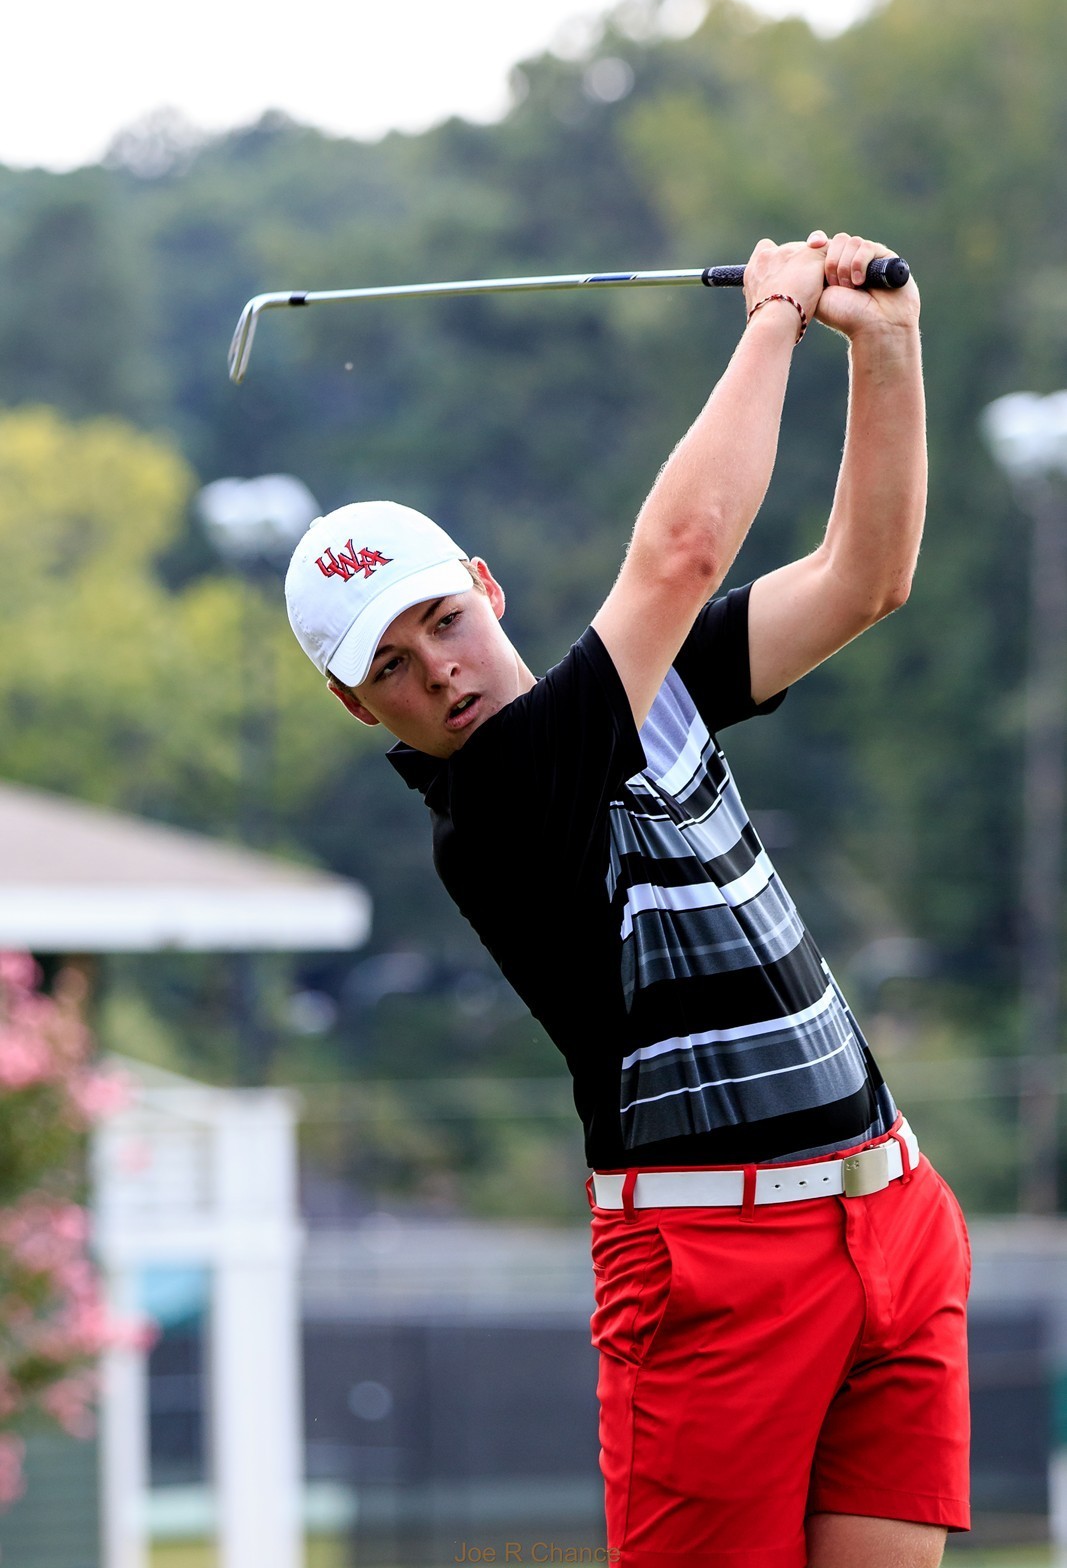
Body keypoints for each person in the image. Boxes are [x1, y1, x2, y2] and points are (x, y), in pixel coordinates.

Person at [283, 230, 971, 1568]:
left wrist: (885, 345)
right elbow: (681, 553)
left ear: (484, 586)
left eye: (441, 619)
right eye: (394, 663)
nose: (441, 670)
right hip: (714, 1278)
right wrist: (773, 317)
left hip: (892, 1218)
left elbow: (865, 579)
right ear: (354, 702)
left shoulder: (647, 696)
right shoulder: (494, 811)